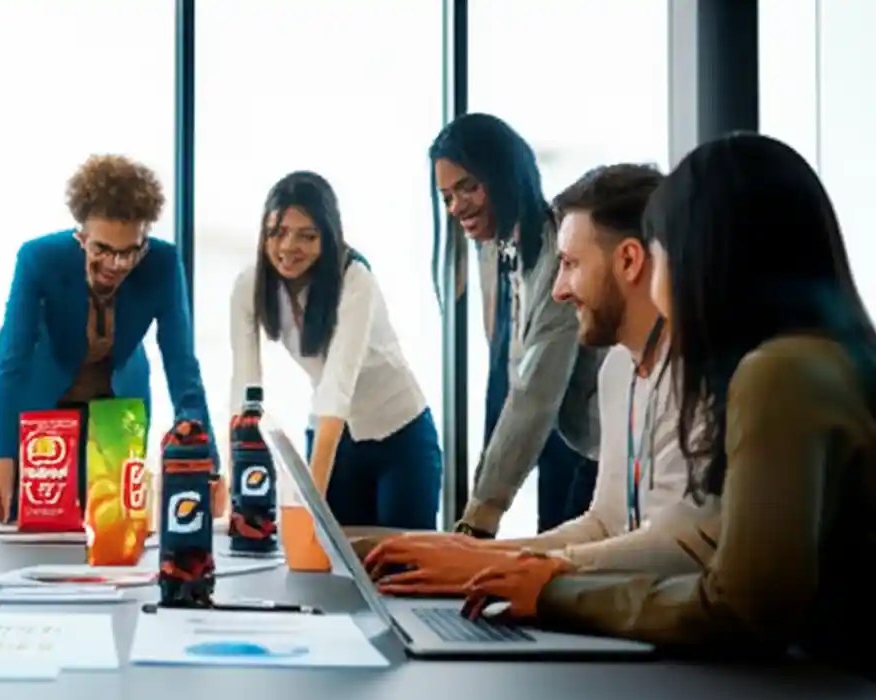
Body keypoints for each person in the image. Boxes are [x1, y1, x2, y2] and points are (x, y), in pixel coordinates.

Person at [457, 134, 876, 669]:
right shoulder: (832, 358)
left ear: (706, 253)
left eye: (661, 251)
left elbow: (743, 607)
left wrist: (553, 591)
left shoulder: (777, 374)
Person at [360, 164, 722, 588]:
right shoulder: (618, 371)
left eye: (569, 264)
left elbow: (684, 548)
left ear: (628, 260)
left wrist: (502, 565)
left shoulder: (706, 377)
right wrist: (475, 553)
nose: (559, 291)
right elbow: (606, 524)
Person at [0, 154, 220, 523]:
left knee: (113, 525)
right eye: (102, 249)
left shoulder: (164, 264)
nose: (117, 264)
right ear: (81, 238)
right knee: (39, 526)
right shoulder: (39, 258)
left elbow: (182, 366)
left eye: (130, 251)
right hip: (38, 398)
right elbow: (14, 357)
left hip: (115, 400)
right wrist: (1, 455)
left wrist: (207, 461)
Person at [230, 171, 442, 529]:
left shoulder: (355, 279)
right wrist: (238, 488)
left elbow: (335, 389)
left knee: (400, 568)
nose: (287, 248)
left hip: (401, 437)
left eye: (306, 236)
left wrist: (307, 509)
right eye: (277, 233)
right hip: (334, 439)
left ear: (328, 238)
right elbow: (244, 391)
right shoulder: (250, 285)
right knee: (330, 565)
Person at [430, 113, 606, 537]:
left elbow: (537, 385)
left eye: (469, 187)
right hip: (549, 435)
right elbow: (504, 376)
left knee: (562, 569)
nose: (457, 207)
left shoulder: (554, 250)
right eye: (447, 196)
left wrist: (483, 511)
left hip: (589, 442)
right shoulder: (492, 249)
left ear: (505, 175)